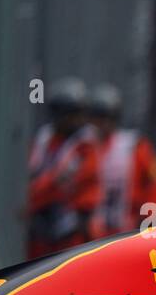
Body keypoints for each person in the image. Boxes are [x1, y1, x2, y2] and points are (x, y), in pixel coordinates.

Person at [25, 77, 100, 258]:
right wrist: (35, 194)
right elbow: (31, 178)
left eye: (76, 113)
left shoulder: (86, 144)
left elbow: (64, 183)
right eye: (67, 113)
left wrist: (35, 195)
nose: (72, 119)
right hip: (42, 227)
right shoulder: (45, 138)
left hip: (72, 229)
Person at [88, 84, 156, 237]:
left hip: (127, 228)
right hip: (89, 230)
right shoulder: (84, 146)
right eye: (98, 117)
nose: (102, 123)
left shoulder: (134, 146)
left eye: (107, 117)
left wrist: (148, 218)